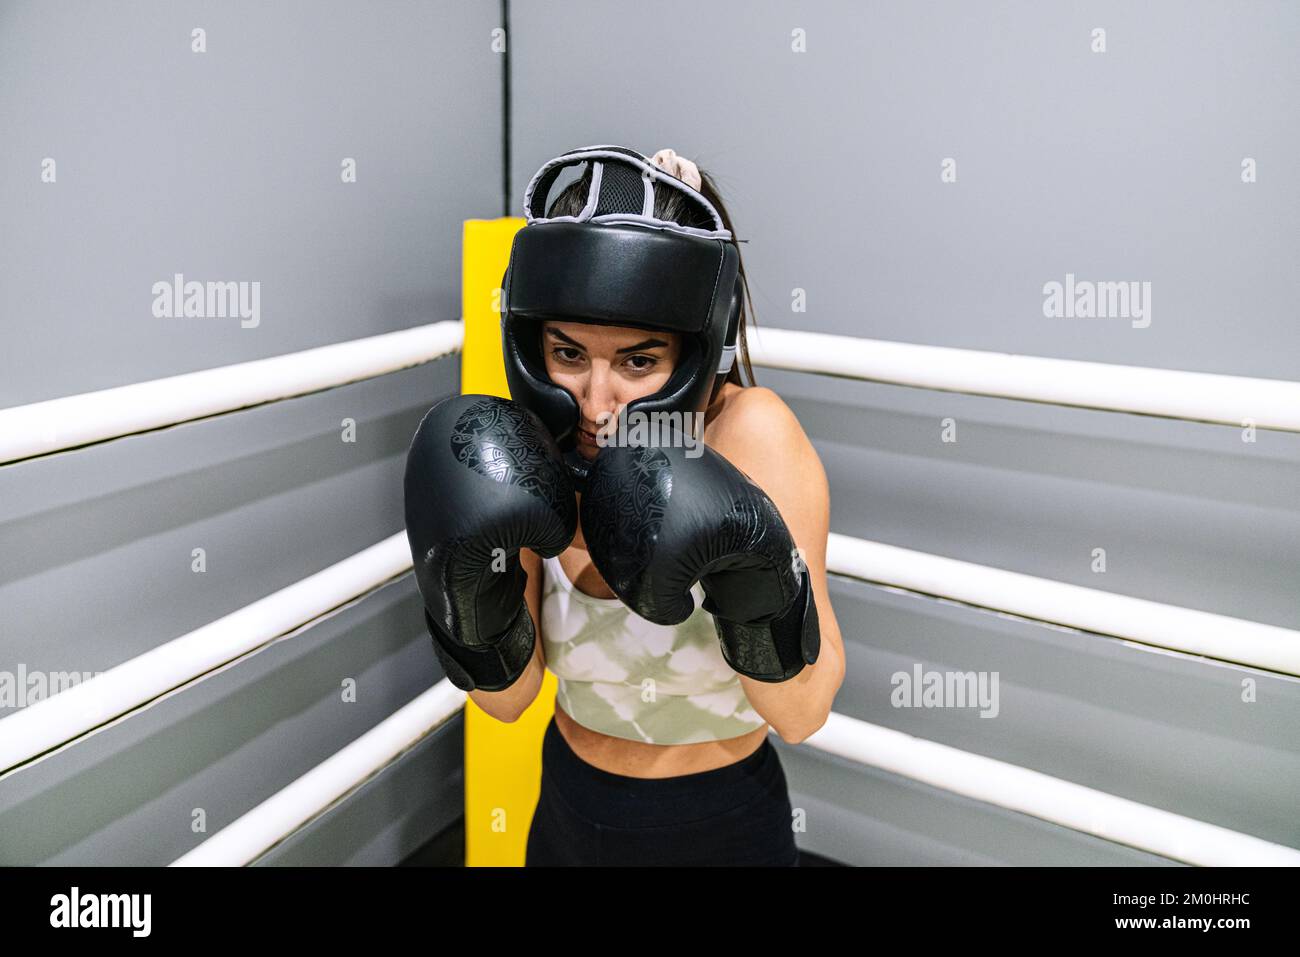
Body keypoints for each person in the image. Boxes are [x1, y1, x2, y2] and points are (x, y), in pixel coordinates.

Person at [405, 146, 845, 866]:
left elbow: (804, 712)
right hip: (569, 811)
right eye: (567, 353)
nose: (597, 401)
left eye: (639, 361)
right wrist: (465, 593)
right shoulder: (529, 452)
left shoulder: (750, 432)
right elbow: (508, 701)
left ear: (696, 352)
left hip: (719, 824)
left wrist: (750, 574)